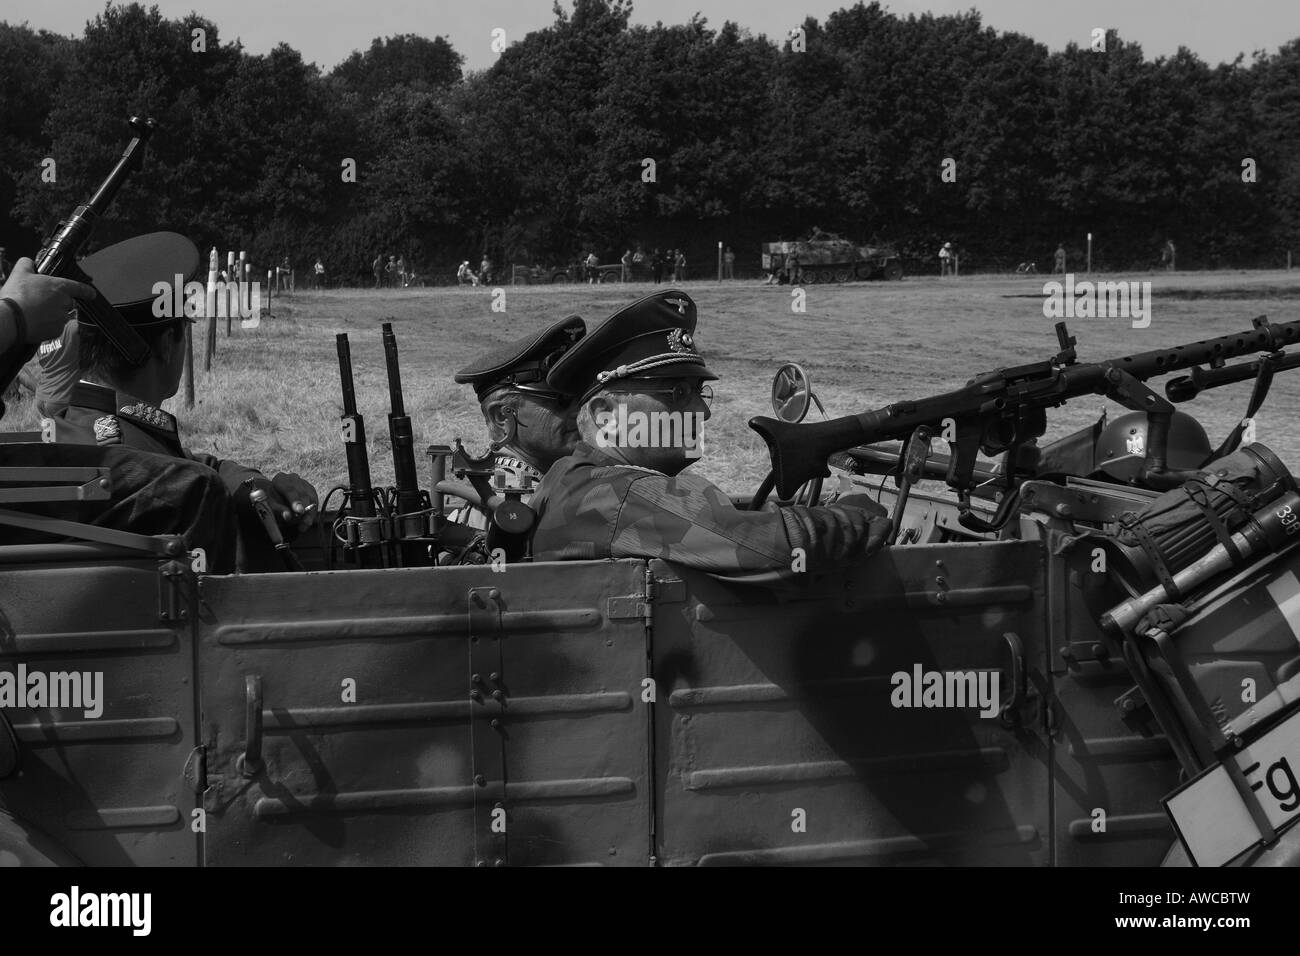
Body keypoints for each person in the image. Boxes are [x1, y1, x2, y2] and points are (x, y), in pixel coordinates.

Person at [529, 290, 892, 574]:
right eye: (677, 393)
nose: (702, 411)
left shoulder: (569, 474)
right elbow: (778, 546)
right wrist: (856, 515)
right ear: (605, 415)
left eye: (699, 392)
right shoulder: (626, 496)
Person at [46, 232, 319, 568]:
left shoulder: (86, 421)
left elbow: (198, 466)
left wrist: (256, 488)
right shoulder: (128, 450)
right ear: (165, 344)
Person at [445, 315, 587, 558]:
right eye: (562, 400)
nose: (580, 410)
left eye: (583, 397)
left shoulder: (550, 486)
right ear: (502, 416)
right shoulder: (511, 504)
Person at [0, 257, 95, 417]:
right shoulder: (74, 328)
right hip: (64, 398)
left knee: (51, 440)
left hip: (42, 398)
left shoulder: (43, 332)